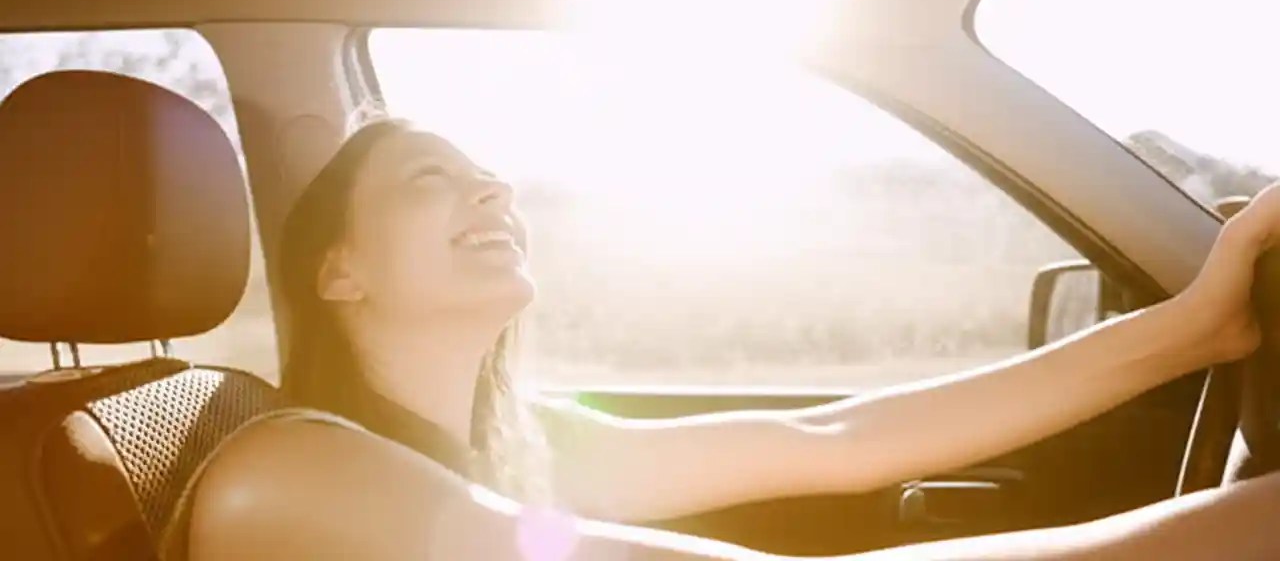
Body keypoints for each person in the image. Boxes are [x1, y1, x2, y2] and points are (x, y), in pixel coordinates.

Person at [164, 116, 1280, 560]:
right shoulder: (285, 477)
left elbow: (835, 436)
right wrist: (1242, 524)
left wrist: (1189, 328)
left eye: (484, 170)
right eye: (428, 177)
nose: (491, 185)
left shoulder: (522, 452)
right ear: (338, 272)